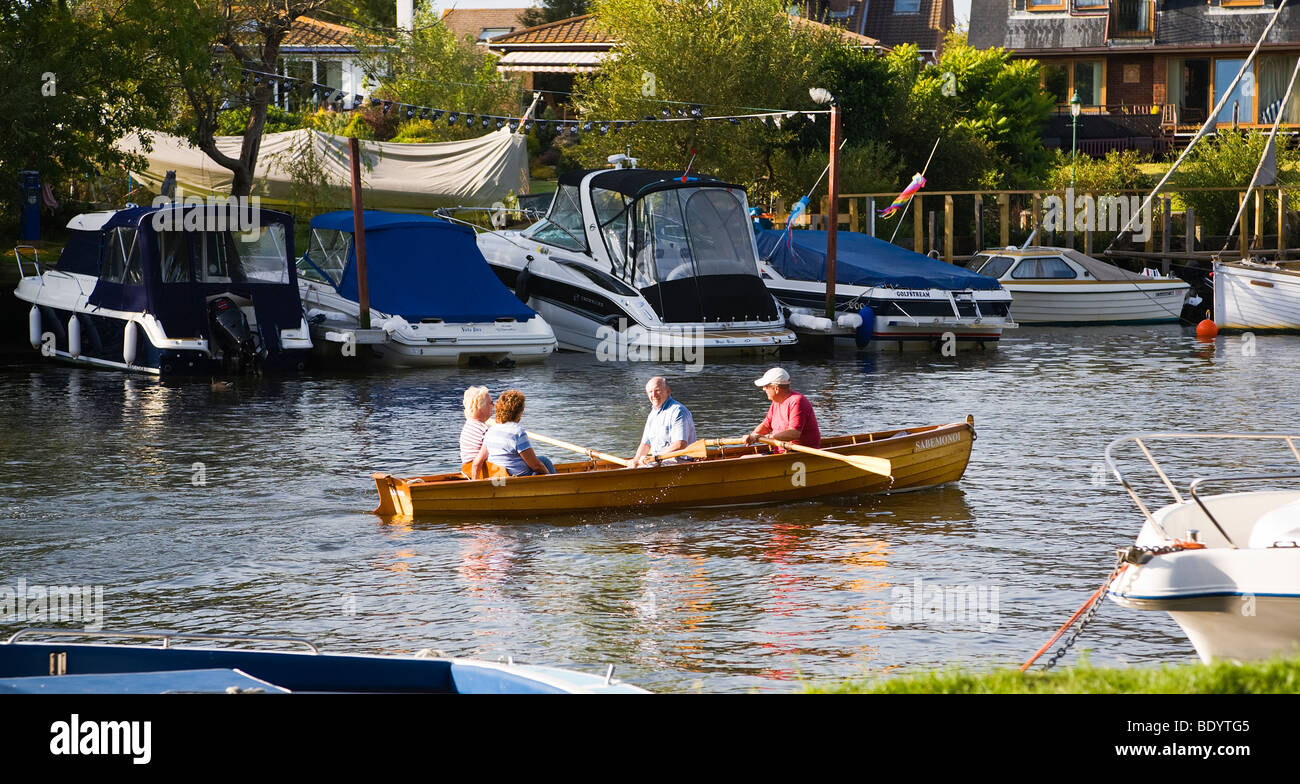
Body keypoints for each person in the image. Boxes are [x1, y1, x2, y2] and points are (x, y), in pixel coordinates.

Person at [472, 389, 555, 478]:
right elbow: (536, 466)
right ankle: (557, 485)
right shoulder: (517, 432)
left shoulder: (491, 431)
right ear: (519, 412)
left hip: (498, 476)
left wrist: (475, 483)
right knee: (544, 461)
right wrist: (549, 477)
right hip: (516, 477)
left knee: (541, 460)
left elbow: (476, 463)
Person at [742, 368, 821, 449]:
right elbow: (766, 426)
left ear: (776, 388)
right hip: (782, 451)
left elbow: (794, 433)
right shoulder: (776, 401)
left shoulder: (797, 401)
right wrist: (752, 436)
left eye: (766, 386)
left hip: (800, 452)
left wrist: (768, 437)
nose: (763, 389)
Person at [631, 377, 696, 467]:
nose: (653, 395)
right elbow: (645, 444)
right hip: (658, 461)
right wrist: (636, 459)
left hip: (679, 462)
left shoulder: (678, 411)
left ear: (668, 391)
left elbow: (680, 444)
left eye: (657, 390)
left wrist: (655, 458)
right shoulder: (653, 414)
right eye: (650, 392)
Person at [459, 386, 494, 473]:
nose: (494, 405)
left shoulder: (468, 426)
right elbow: (479, 461)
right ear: (480, 407)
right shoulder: (484, 430)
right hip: (482, 471)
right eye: (491, 403)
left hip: (467, 470)